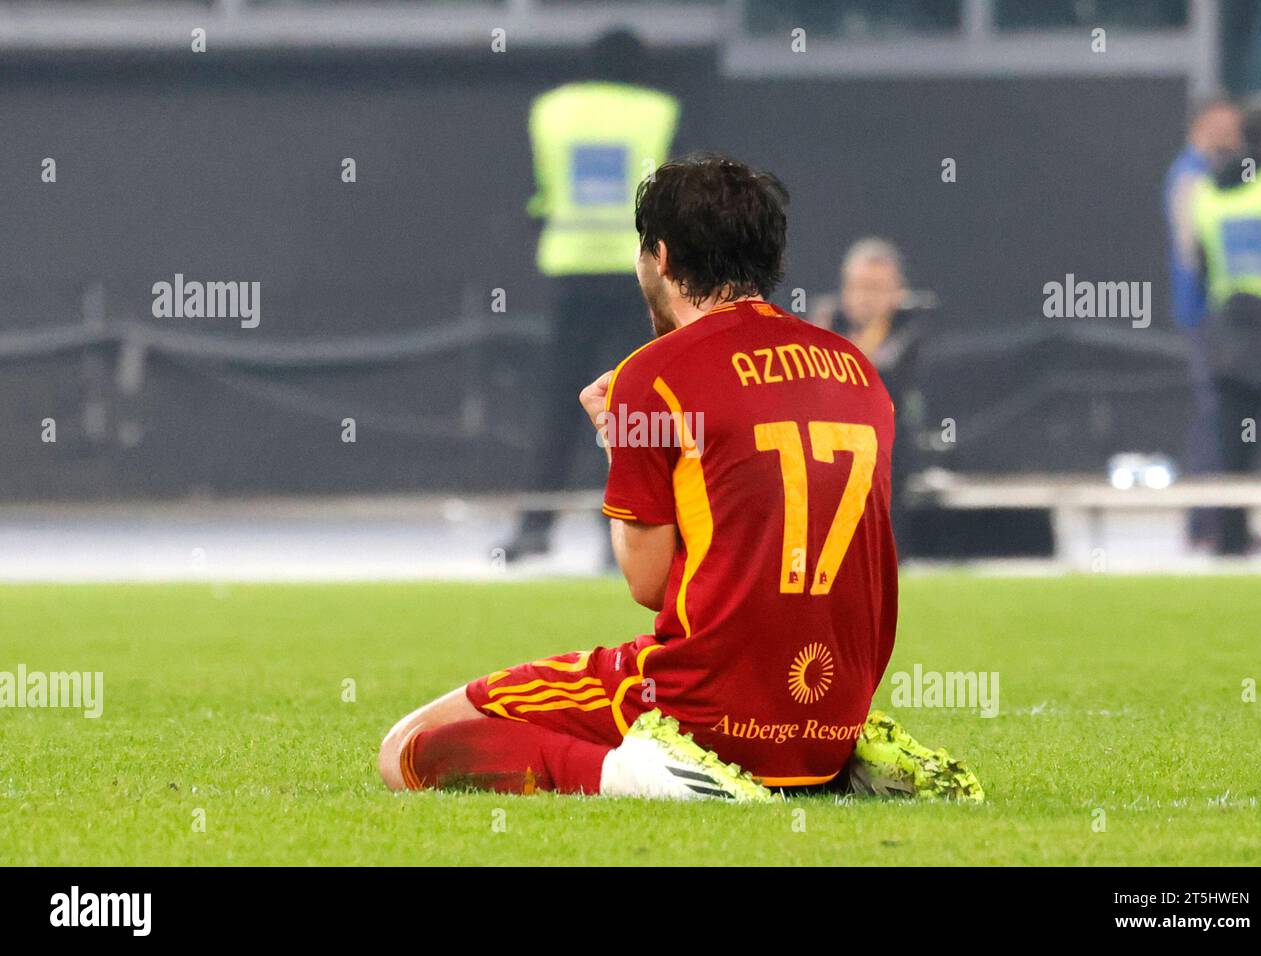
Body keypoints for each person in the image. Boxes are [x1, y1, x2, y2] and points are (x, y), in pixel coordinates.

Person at [379, 156, 982, 802]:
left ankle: (646, 776)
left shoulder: (654, 376)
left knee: (409, 748)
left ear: (660, 257)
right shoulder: (856, 371)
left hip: (711, 703)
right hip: (829, 717)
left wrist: (619, 442)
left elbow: (648, 583)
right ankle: (844, 767)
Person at [502, 29, 681, 563]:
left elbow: (536, 194)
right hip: (639, 274)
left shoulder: (552, 110)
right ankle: (628, 534)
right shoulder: (657, 110)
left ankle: (534, 528)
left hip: (571, 270)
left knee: (561, 402)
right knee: (636, 407)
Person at [1192, 94, 1261, 555]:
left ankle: (1231, 544)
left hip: (1230, 326)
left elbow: (1200, 265)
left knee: (1235, 446)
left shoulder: (1209, 192)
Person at [812, 238, 923, 558]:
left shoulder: (913, 325)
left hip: (888, 450)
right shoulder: (827, 322)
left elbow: (885, 373)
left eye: (876, 288)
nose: (866, 298)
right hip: (831, 448)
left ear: (897, 291)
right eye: (859, 287)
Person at [1163, 95, 1241, 549]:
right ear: (1203, 125)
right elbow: (1191, 250)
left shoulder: (1206, 172)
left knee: (1215, 416)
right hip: (1204, 314)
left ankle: (1210, 519)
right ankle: (1204, 522)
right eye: (1225, 126)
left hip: (1211, 315)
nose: (1232, 137)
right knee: (1212, 417)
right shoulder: (1191, 175)